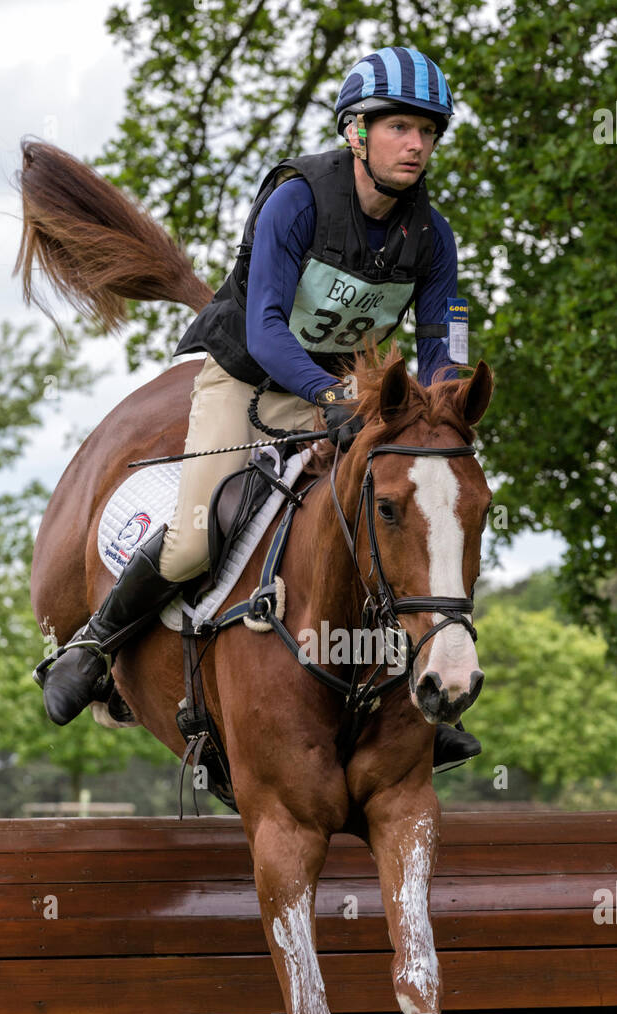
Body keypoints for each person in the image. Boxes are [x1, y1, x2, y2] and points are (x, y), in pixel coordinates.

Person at [39, 46, 481, 774]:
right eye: (401, 126)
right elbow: (266, 329)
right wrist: (331, 396)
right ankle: (95, 644)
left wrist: (438, 407)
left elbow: (441, 342)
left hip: (346, 399)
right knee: (194, 541)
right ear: (355, 132)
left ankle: (413, 699)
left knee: (396, 521)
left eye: (428, 133)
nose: (417, 144)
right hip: (247, 378)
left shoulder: (433, 237)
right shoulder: (298, 199)